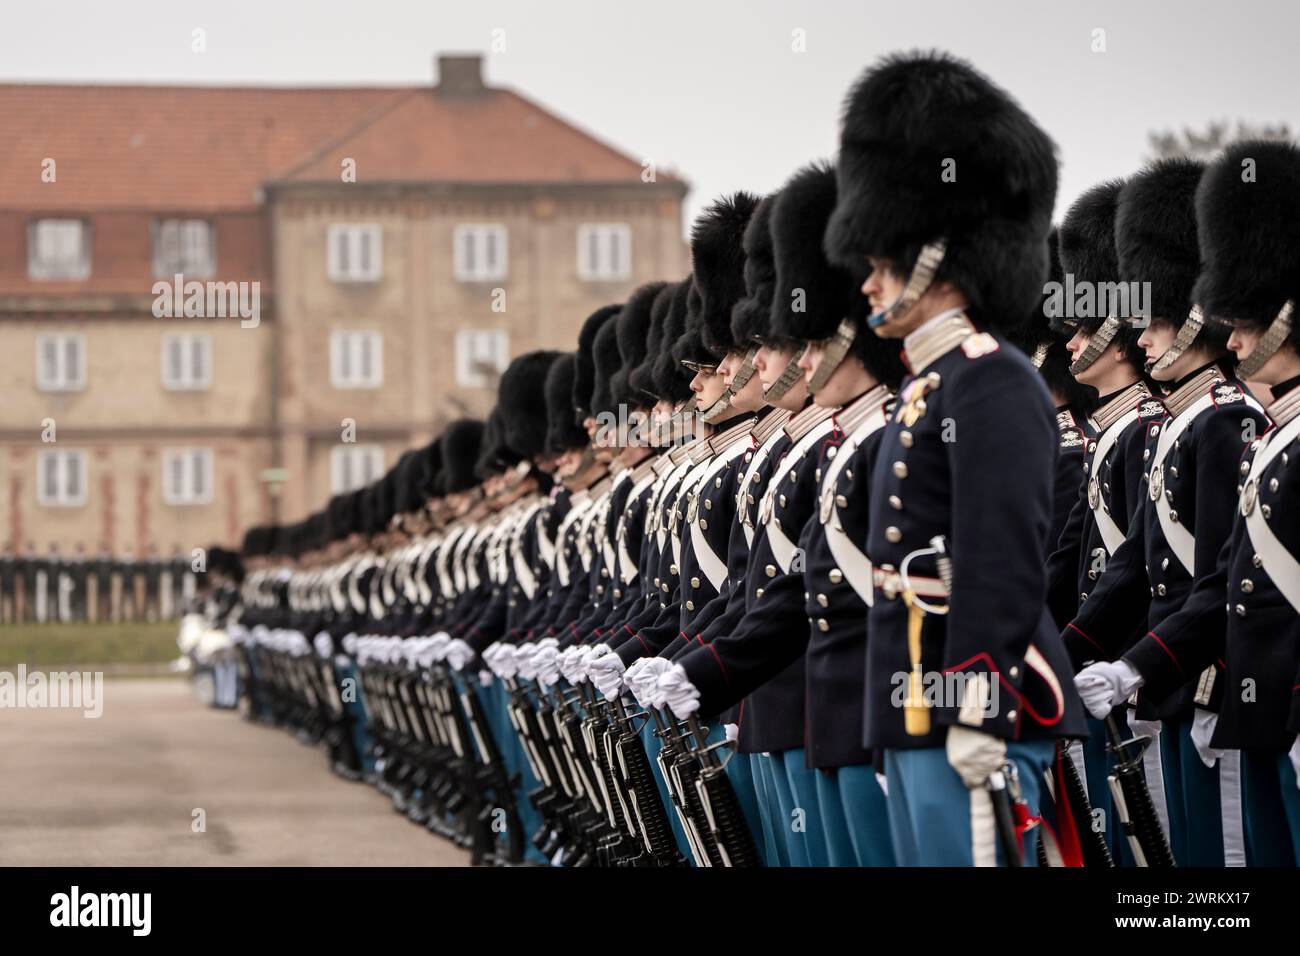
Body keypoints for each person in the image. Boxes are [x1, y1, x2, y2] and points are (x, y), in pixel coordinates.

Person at [822, 50, 1087, 866]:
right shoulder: (932, 385)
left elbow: (1000, 560)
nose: (867, 285)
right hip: (912, 701)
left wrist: (977, 707)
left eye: (882, 261)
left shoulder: (991, 380)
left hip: (971, 702)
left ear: (934, 254)